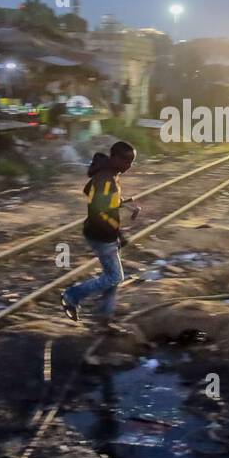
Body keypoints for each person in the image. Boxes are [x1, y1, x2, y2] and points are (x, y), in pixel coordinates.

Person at [61, 141, 139, 331]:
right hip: (101, 234)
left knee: (111, 277)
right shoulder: (107, 178)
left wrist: (120, 202)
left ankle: (105, 319)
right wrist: (119, 233)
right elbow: (98, 211)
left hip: (102, 232)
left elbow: (90, 192)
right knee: (115, 277)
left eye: (131, 162)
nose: (128, 166)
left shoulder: (109, 173)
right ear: (114, 158)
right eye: (125, 161)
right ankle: (72, 296)